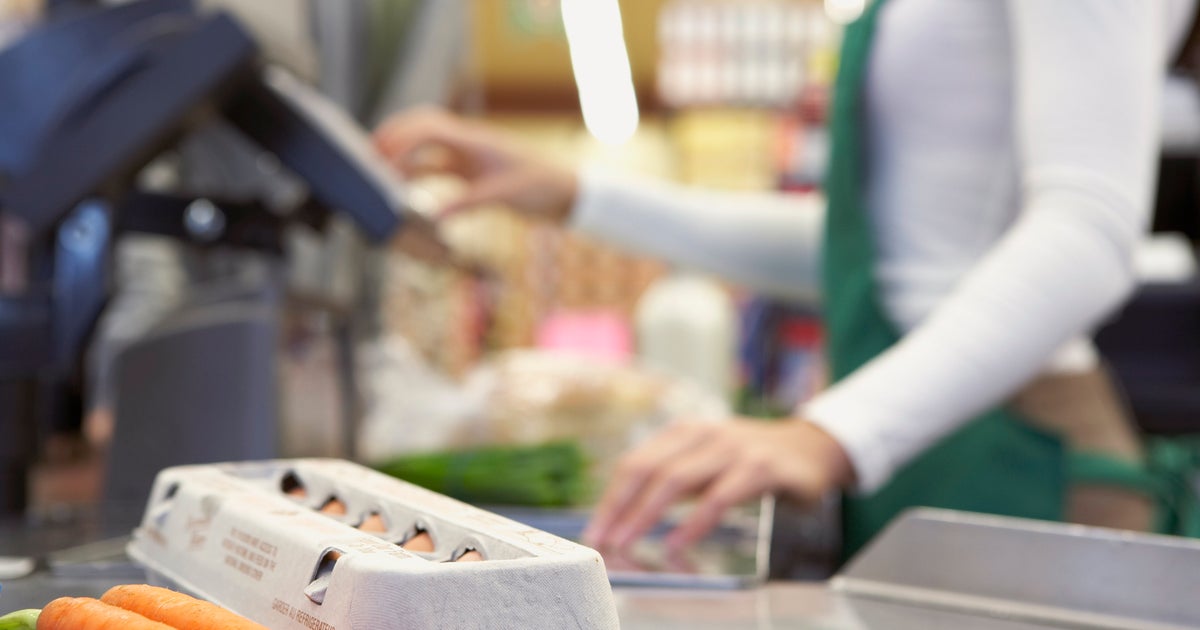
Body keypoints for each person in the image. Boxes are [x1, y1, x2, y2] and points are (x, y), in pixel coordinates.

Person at [375, 0, 1198, 557]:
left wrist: (830, 433)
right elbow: (874, 252)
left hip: (1019, 454)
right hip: (926, 441)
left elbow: (1090, 232)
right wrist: (576, 194)